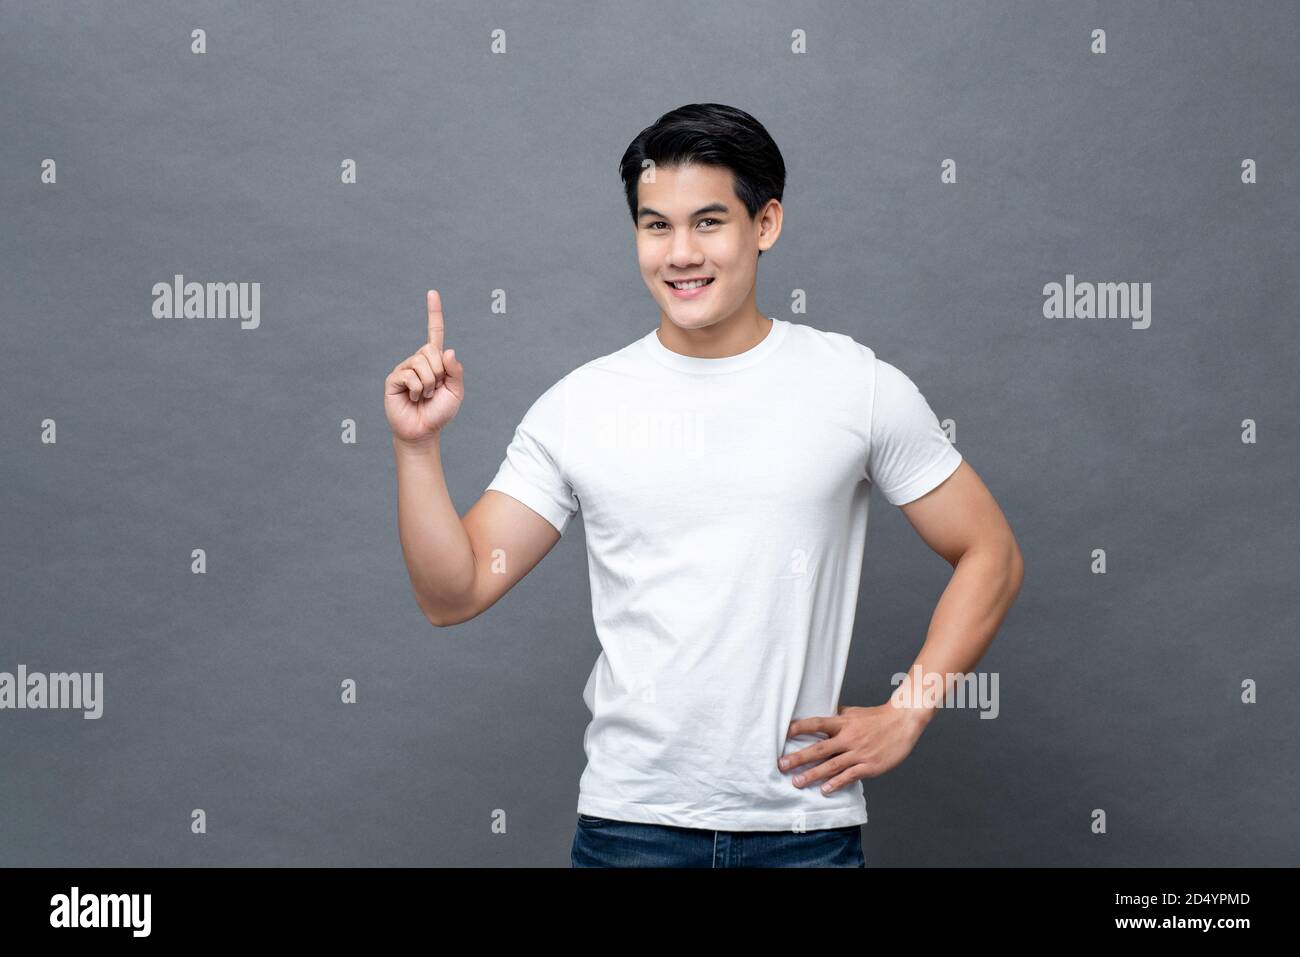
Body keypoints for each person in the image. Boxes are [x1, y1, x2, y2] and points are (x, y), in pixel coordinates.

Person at [385, 103, 1024, 868]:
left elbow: (991, 551)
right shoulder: (580, 404)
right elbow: (451, 594)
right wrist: (417, 449)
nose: (681, 253)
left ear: (767, 223)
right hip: (631, 831)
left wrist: (907, 710)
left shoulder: (855, 386)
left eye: (709, 222)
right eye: (656, 226)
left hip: (804, 833)